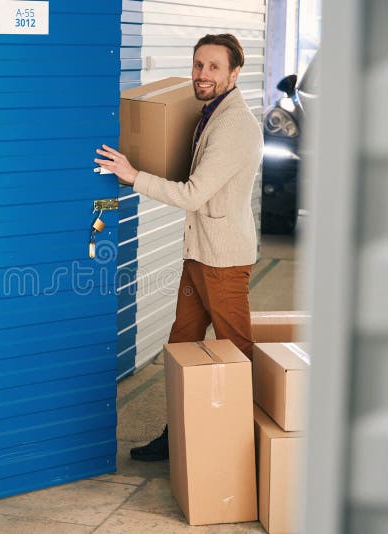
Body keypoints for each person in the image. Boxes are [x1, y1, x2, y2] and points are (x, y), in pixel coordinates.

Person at [95, 33, 263, 462]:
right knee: (183, 345)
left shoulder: (234, 125)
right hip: (199, 256)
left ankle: (250, 449)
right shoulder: (209, 113)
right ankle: (177, 436)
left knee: (236, 351)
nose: (202, 74)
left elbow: (193, 194)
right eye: (198, 65)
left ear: (234, 73)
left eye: (213, 67)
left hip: (223, 262)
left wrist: (134, 176)